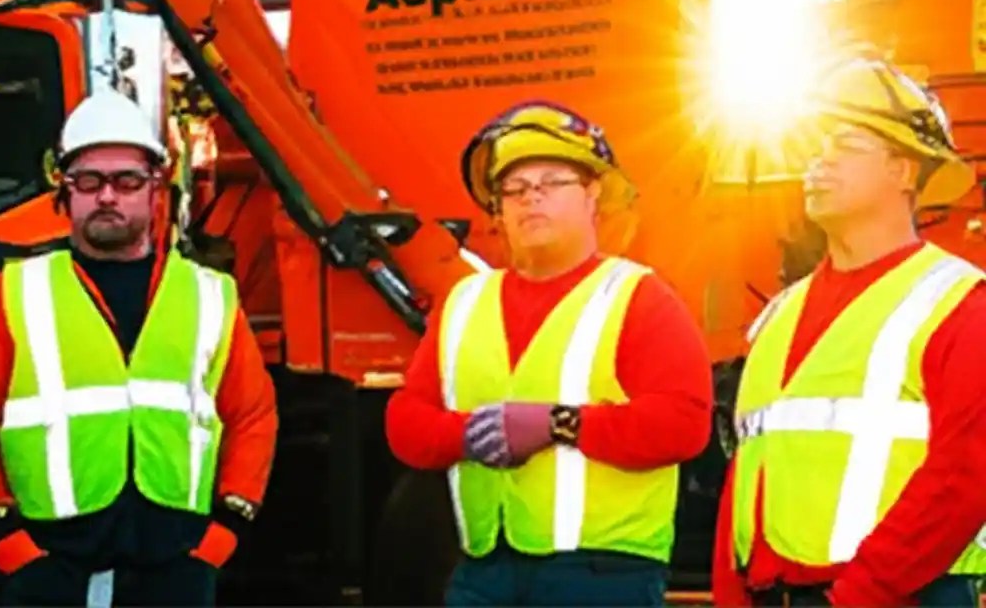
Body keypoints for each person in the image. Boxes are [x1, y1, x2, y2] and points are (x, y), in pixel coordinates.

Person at [0, 91, 278, 606]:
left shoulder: (210, 295)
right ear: (64, 192)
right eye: (88, 181)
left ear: (155, 191)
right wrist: (7, 540)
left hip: (175, 565)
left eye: (126, 181)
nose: (107, 196)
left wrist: (225, 532)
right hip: (49, 568)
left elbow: (252, 416)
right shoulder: (10, 294)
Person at [385, 100, 714, 606]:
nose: (530, 198)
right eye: (514, 188)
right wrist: (467, 435)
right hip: (484, 568)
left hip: (605, 572)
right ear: (498, 211)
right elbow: (406, 421)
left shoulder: (637, 296)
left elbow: (684, 423)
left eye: (551, 182)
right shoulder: (466, 301)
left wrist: (558, 424)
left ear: (592, 195)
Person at [711, 56, 986, 606]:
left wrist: (858, 594)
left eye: (845, 144)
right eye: (815, 144)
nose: (819, 160)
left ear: (904, 170)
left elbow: (964, 473)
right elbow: (751, 463)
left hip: (901, 595)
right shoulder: (781, 313)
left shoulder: (959, 303)